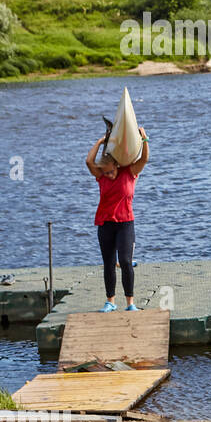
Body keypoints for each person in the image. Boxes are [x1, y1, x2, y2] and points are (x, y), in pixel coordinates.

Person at [85, 125, 149, 311]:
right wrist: (99, 142)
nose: (108, 175)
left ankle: (130, 303)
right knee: (109, 263)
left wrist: (144, 139)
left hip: (125, 223)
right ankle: (110, 301)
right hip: (105, 224)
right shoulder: (102, 176)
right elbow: (89, 162)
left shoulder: (129, 172)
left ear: (117, 165)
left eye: (110, 171)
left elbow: (144, 158)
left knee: (126, 261)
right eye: (104, 172)